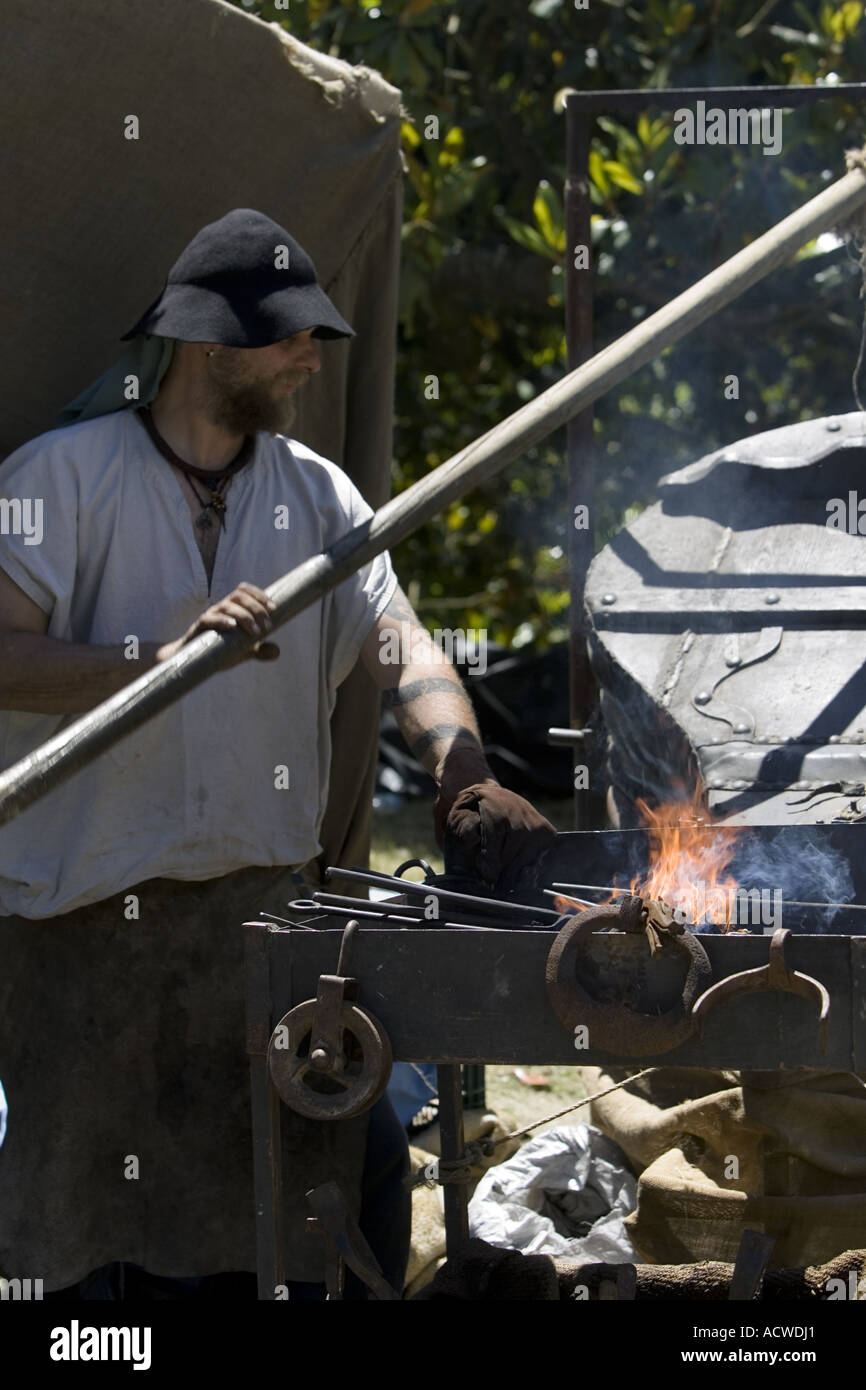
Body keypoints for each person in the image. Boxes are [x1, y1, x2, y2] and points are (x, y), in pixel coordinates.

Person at [0, 208, 555, 1299]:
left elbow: (402, 648)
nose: (310, 358)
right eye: (291, 337)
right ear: (212, 348)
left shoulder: (317, 494)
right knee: (86, 1248)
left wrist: (461, 768)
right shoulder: (60, 478)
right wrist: (158, 662)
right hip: (84, 935)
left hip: (262, 925)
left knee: (309, 1214)